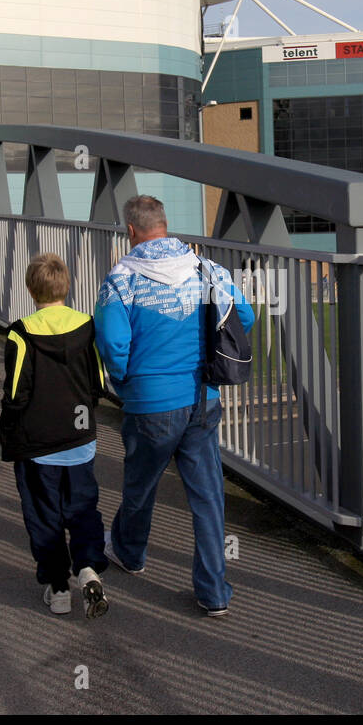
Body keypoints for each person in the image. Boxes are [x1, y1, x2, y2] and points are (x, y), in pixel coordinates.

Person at [94, 195, 254, 617]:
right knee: (207, 497)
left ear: (130, 231)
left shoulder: (121, 278)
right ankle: (214, 591)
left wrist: (127, 380)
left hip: (149, 403)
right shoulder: (206, 268)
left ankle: (130, 553)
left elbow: (112, 343)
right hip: (203, 399)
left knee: (140, 484)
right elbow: (246, 317)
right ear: (165, 224)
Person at [0, 253, 110, 618]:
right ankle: (89, 567)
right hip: (80, 440)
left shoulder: (21, 332)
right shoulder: (86, 326)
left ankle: (59, 587)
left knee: (44, 515)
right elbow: (97, 383)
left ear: (32, 289)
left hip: (38, 445)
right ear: (67, 286)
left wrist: (9, 435)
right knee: (82, 509)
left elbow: (16, 393)